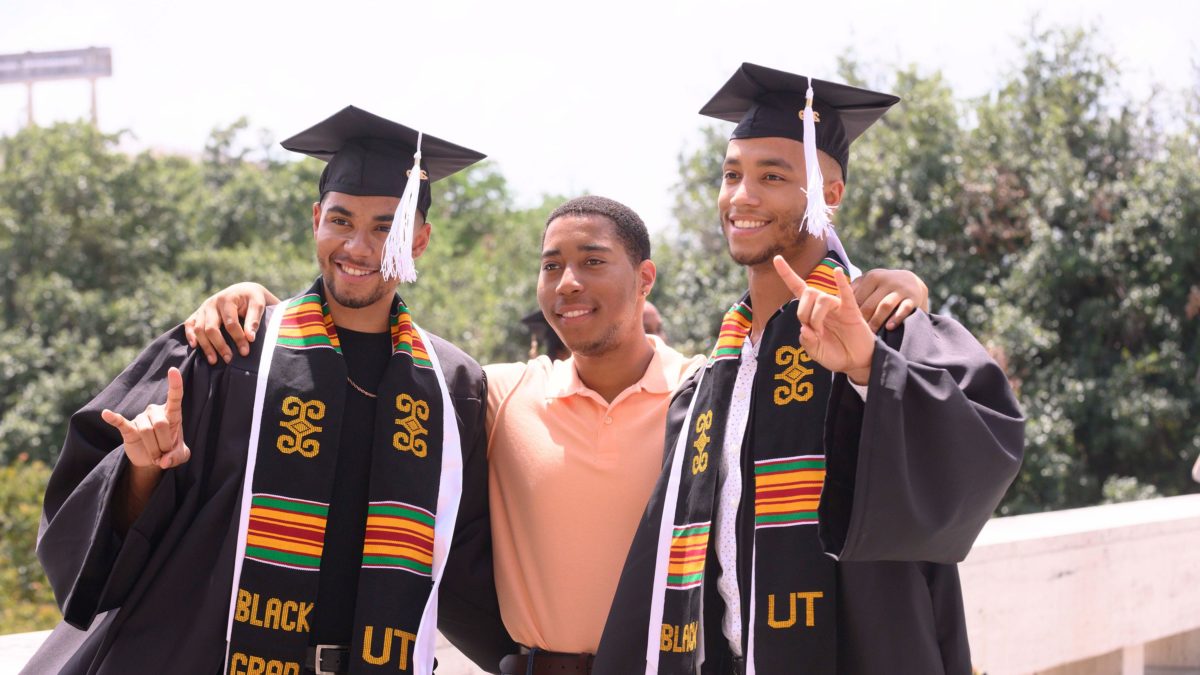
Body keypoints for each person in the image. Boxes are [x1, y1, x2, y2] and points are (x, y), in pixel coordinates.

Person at [183, 193, 931, 674]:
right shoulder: (501, 393)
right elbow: (377, 389)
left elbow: (832, 435)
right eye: (551, 266)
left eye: (591, 262)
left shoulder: (704, 396)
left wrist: (902, 288)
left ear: (645, 280)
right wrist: (256, 303)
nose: (567, 283)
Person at [29, 106, 512, 675]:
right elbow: (108, 533)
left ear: (421, 239)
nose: (359, 246)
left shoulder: (453, 386)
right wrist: (143, 470)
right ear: (315, 220)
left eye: (387, 227)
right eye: (341, 220)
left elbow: (471, 560)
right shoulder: (232, 347)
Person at [590, 63, 1026, 675]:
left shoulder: (888, 328)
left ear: (831, 193)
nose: (742, 196)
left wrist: (870, 369)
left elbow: (988, 451)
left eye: (773, 176)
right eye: (732, 174)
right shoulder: (714, 375)